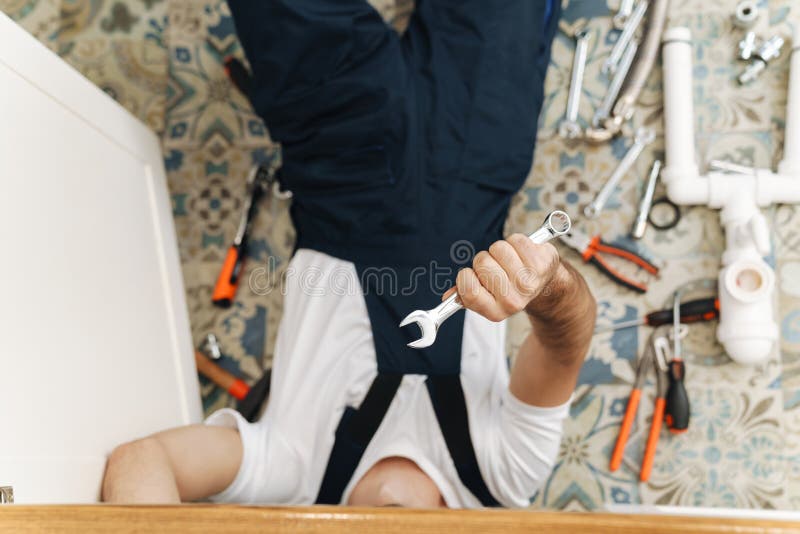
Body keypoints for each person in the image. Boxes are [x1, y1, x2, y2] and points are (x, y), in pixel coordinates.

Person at [101, 0, 596, 508]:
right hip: (477, 154)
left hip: (337, 152)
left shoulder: (290, 481)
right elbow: (567, 346)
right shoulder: (503, 479)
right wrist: (546, 286)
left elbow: (144, 460)